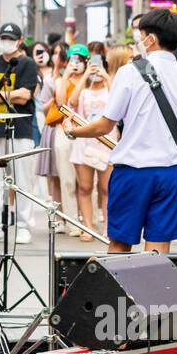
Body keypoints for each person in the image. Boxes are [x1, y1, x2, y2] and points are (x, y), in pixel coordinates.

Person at [70, 9, 177, 253]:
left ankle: (116, 293)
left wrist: (74, 131)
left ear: (151, 39)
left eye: (141, 35)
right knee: (158, 250)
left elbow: (105, 125)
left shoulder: (129, 73)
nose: (139, 40)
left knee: (119, 244)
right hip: (171, 174)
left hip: (131, 172)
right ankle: (153, 293)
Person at [0, 22, 41, 244]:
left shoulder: (27, 64)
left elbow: (26, 96)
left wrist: (1, 94)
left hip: (21, 129)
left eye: (10, 38)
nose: (6, 42)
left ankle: (24, 225)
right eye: (3, 37)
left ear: (19, 40)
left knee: (23, 180)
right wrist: (12, 94)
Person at [66, 49, 116, 242]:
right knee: (85, 187)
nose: (96, 70)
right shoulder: (85, 91)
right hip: (84, 142)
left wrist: (105, 75)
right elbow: (72, 101)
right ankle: (88, 226)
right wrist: (86, 74)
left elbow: (119, 99)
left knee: (107, 188)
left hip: (107, 142)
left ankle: (107, 227)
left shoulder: (110, 87)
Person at [51, 43, 88, 232]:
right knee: (67, 179)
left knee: (88, 182)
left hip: (88, 133)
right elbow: (61, 102)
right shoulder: (60, 80)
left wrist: (88, 73)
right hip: (64, 132)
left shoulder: (91, 79)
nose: (76, 64)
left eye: (80, 60)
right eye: (73, 59)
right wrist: (66, 74)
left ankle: (88, 220)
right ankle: (72, 221)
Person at [33, 41, 60, 204]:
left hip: (53, 117)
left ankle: (50, 193)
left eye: (43, 51)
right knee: (39, 151)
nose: (41, 55)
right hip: (37, 114)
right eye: (37, 52)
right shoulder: (33, 71)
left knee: (52, 153)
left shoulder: (54, 73)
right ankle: (42, 191)